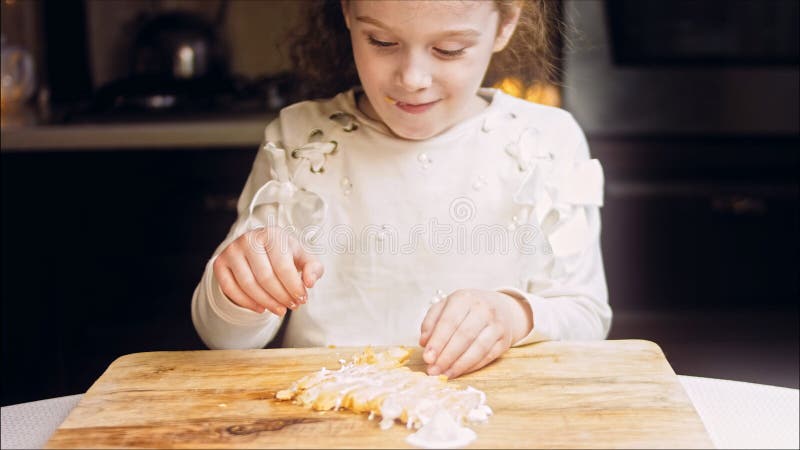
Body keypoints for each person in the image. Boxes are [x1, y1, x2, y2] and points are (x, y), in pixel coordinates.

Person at [192, 0, 610, 379]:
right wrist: (240, 287)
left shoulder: (549, 142)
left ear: (505, 24)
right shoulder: (299, 141)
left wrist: (515, 314)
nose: (412, 79)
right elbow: (224, 337)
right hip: (325, 425)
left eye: (449, 49)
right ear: (348, 15)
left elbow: (587, 314)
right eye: (382, 41)